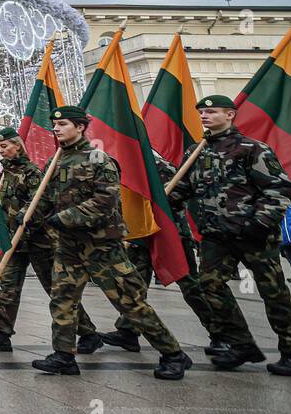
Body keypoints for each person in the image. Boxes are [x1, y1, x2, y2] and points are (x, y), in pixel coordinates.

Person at [31, 106, 192, 380]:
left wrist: (67, 217)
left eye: (63, 124)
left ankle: (173, 353)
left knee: (129, 301)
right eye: (54, 125)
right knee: (63, 299)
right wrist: (30, 215)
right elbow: (45, 197)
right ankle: (64, 355)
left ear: (80, 127)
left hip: (101, 246)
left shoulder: (99, 159)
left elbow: (106, 200)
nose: (56, 129)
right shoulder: (55, 161)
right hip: (68, 245)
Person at [168, 95, 291, 375]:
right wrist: (163, 198)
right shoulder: (196, 152)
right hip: (216, 236)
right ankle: (240, 344)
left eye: (212, 111)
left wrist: (260, 222)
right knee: (209, 286)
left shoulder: (252, 149)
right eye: (201, 112)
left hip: (253, 234)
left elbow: (279, 188)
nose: (204, 115)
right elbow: (183, 190)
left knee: (273, 292)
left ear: (230, 115)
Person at [0, 128, 100, 353]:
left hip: (38, 241)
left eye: (4, 147)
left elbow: (39, 201)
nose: (1, 151)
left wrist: (25, 215)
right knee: (8, 288)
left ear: (17, 145)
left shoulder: (32, 172)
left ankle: (88, 332)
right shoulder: (4, 174)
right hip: (13, 242)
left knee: (55, 289)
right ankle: (1, 333)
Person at [99, 154, 222, 353]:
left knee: (190, 285)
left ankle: (219, 333)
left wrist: (157, 200)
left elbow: (179, 194)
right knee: (135, 283)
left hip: (171, 234)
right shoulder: (124, 167)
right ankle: (128, 331)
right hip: (142, 234)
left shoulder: (157, 166)